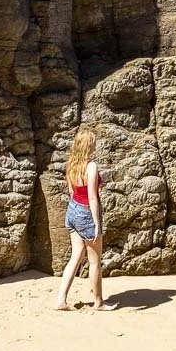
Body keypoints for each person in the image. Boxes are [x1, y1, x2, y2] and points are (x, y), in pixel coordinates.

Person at [54, 125, 116, 311]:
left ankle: (60, 300)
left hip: (72, 211)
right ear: (88, 145)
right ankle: (98, 302)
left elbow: (71, 191)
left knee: (75, 257)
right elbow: (92, 197)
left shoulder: (71, 164)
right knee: (94, 261)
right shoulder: (91, 166)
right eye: (93, 143)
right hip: (86, 213)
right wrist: (96, 223)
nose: (95, 145)